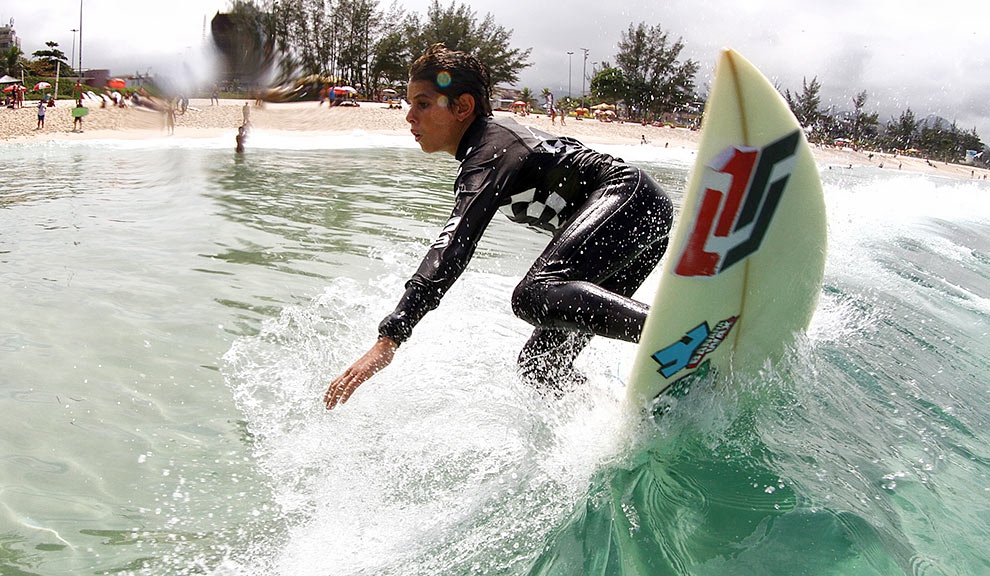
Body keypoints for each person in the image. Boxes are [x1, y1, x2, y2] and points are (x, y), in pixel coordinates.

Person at [323, 44, 673, 409]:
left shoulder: (491, 147)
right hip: (633, 223)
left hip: (630, 199)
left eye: (423, 104)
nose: (409, 116)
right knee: (539, 368)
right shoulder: (492, 147)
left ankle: (673, 334)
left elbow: (454, 246)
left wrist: (391, 335)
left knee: (532, 294)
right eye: (411, 104)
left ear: (462, 107)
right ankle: (615, 410)